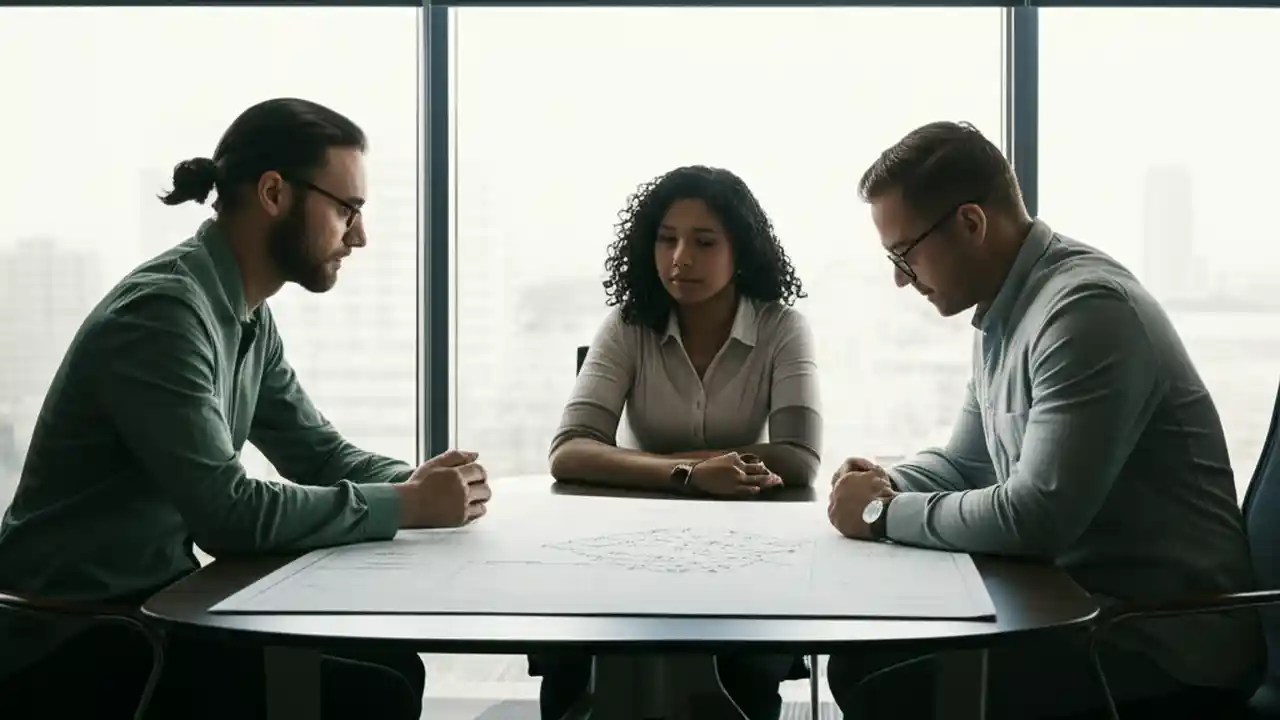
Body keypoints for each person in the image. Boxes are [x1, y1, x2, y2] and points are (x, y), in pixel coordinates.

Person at [0, 98, 492, 720]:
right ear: (273, 193)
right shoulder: (164, 317)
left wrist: (423, 481)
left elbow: (317, 452)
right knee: (372, 692)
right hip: (73, 637)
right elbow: (228, 514)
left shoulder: (246, 312)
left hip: (149, 610)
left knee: (390, 666)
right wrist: (412, 505)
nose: (360, 236)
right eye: (348, 209)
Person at [825, 121, 1262, 719]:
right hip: (1072, 611)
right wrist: (888, 480)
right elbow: (967, 463)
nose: (901, 278)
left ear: (972, 224)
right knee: (859, 664)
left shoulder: (1085, 313)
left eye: (905, 254)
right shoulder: (1002, 313)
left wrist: (880, 515)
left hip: (1162, 648)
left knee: (888, 693)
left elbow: (1036, 517)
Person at [537, 165, 821, 720]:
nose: (680, 258)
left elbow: (798, 458)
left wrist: (637, 463)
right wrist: (690, 475)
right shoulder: (626, 326)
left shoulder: (783, 328)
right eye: (667, 239)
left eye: (704, 242)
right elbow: (568, 450)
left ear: (742, 250)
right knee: (570, 662)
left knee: (746, 671)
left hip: (747, 551)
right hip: (628, 550)